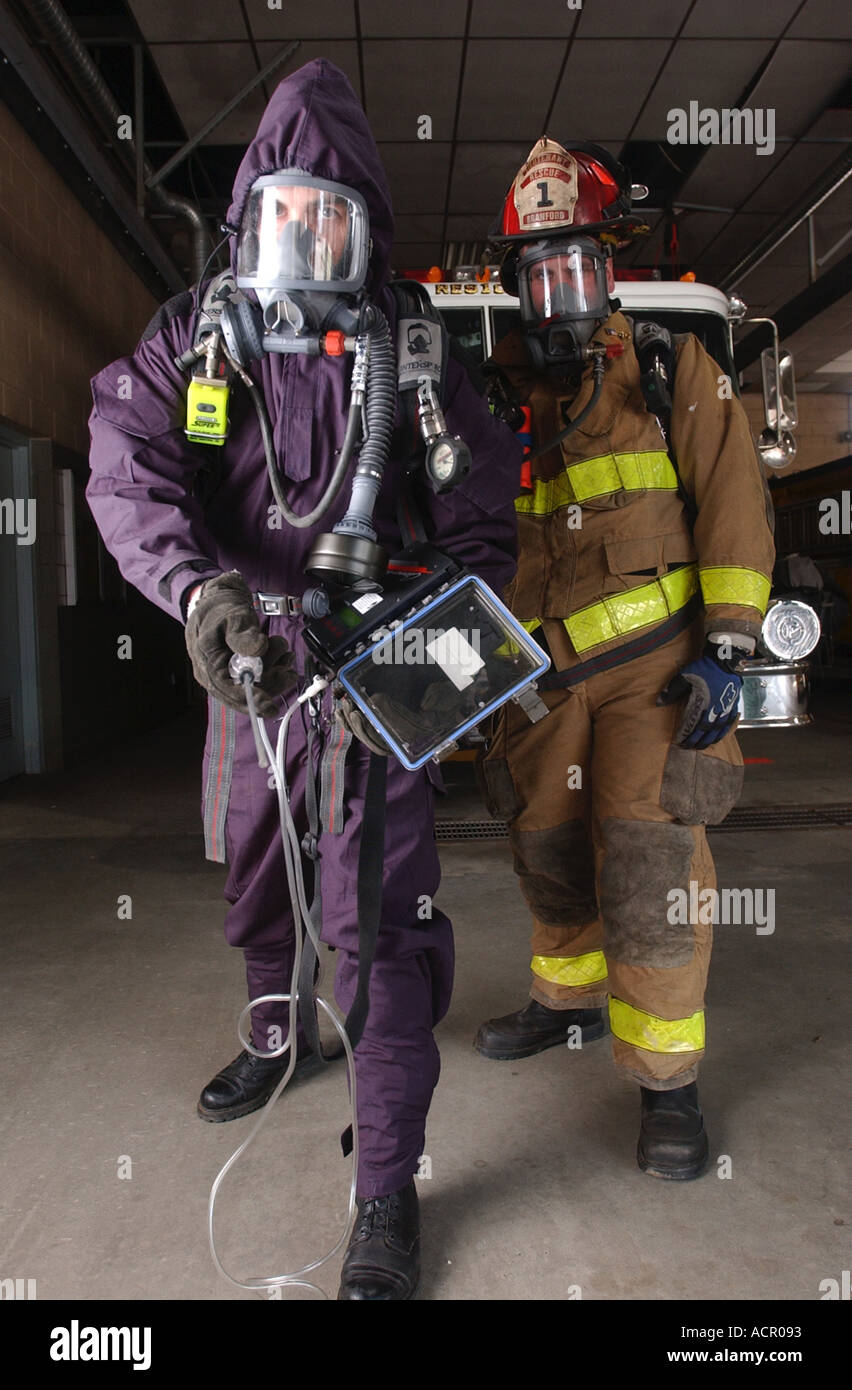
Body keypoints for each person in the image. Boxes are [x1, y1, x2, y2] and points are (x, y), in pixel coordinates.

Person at [87, 59, 520, 1299]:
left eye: (337, 220)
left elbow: (486, 527)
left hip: (377, 674)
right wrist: (202, 597)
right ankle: (274, 1032)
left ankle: (385, 1188)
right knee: (251, 870)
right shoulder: (196, 334)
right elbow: (128, 473)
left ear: (373, 232)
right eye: (289, 215)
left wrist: (426, 672)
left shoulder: (419, 351)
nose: (310, 242)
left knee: (378, 934)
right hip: (249, 660)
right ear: (248, 221)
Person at [475, 139, 775, 1179]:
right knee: (547, 846)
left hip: (657, 677)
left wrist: (730, 645)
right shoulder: (492, 398)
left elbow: (735, 495)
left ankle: (669, 1087)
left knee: (650, 871)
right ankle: (566, 1007)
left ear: (608, 269)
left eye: (579, 268)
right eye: (540, 271)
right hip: (540, 686)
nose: (561, 294)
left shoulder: (666, 365)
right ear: (515, 281)